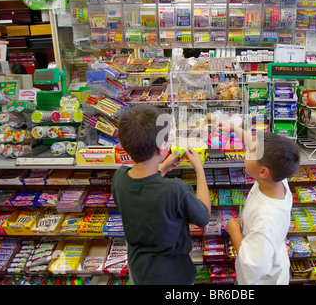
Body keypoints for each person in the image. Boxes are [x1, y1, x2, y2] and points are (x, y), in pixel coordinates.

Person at [112, 104, 211, 285]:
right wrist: (199, 169)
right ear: (161, 148)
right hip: (174, 276)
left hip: (139, 270)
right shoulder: (175, 190)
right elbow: (203, 216)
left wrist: (162, 168)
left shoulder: (119, 178)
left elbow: (143, 192)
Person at [219, 121, 300, 285]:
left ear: (263, 172)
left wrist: (234, 231)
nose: (246, 153)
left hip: (263, 279)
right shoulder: (277, 180)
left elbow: (251, 264)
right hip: (268, 255)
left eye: (250, 154)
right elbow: (254, 144)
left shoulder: (266, 220)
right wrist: (235, 129)